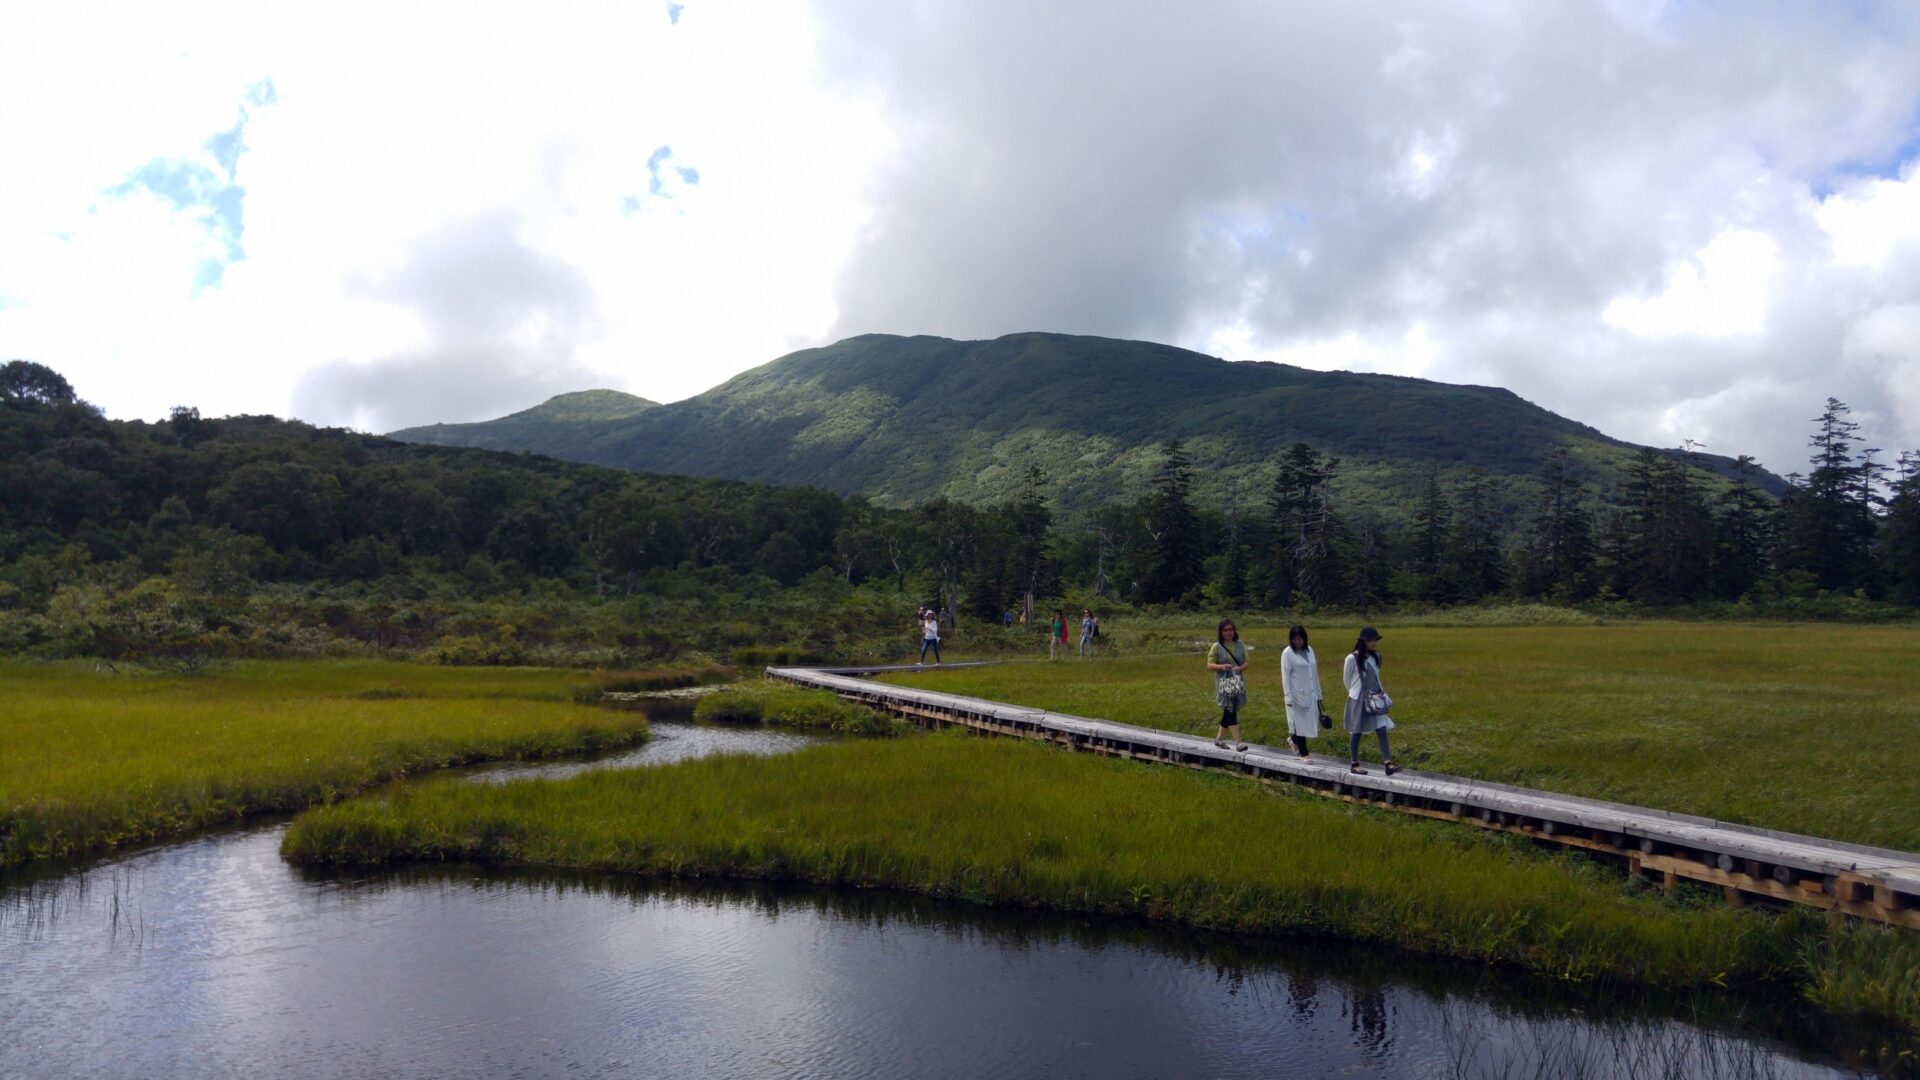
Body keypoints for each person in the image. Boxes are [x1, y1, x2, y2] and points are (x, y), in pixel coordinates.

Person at [1342, 625, 1398, 775]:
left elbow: (1377, 677)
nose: (1374, 643)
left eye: (1375, 640)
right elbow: (1346, 680)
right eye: (1372, 640)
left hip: (1375, 697)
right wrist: (1356, 694)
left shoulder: (1376, 657)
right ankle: (1354, 764)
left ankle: (1388, 763)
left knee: (1381, 729)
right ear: (1364, 641)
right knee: (1356, 731)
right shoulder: (1352, 658)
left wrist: (1379, 693)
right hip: (1358, 697)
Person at [1279, 623, 1322, 759]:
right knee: (1299, 723)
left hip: (1310, 693)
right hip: (1296, 694)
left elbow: (1314, 673)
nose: (1298, 642)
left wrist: (1318, 693)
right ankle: (1304, 753)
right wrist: (1288, 697)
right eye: (1295, 639)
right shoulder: (1287, 653)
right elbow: (1285, 676)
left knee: (1309, 723)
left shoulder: (1310, 650)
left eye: (1300, 639)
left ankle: (1293, 739)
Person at [1207, 618, 1249, 751]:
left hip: (1237, 681)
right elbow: (1209, 665)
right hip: (1224, 682)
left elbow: (1246, 662)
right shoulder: (1216, 646)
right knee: (1230, 708)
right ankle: (1238, 742)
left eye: (1230, 629)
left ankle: (1219, 739)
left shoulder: (1240, 644)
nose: (1228, 632)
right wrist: (1222, 667)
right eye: (1225, 630)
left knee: (1230, 708)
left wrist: (1239, 669)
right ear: (1221, 632)